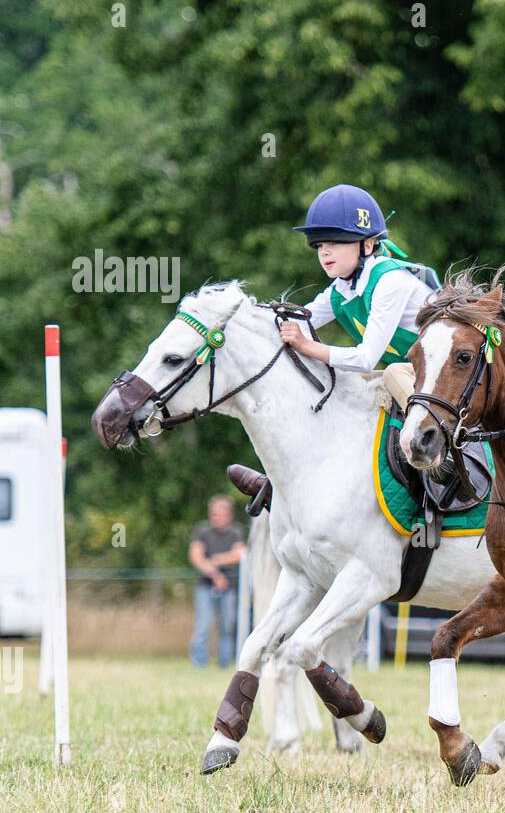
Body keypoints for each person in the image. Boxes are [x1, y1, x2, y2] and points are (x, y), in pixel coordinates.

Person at [228, 183, 441, 503]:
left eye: (335, 242)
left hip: (448, 373)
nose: (324, 252)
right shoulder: (341, 290)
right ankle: (286, 482)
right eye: (319, 244)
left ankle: (444, 459)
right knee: (353, 390)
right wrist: (242, 320)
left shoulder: (390, 282)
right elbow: (298, 320)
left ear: (368, 245)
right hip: (422, 375)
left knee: (389, 376)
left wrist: (307, 346)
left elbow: (367, 358)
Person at [189, 494, 246, 668]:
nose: (216, 517)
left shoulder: (236, 532)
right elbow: (195, 556)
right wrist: (215, 574)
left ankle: (225, 663)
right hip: (205, 587)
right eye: (213, 513)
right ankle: (199, 663)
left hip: (229, 588)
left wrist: (216, 560)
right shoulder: (202, 531)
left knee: (227, 627)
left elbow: (239, 554)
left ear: (228, 515)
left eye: (219, 514)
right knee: (203, 626)